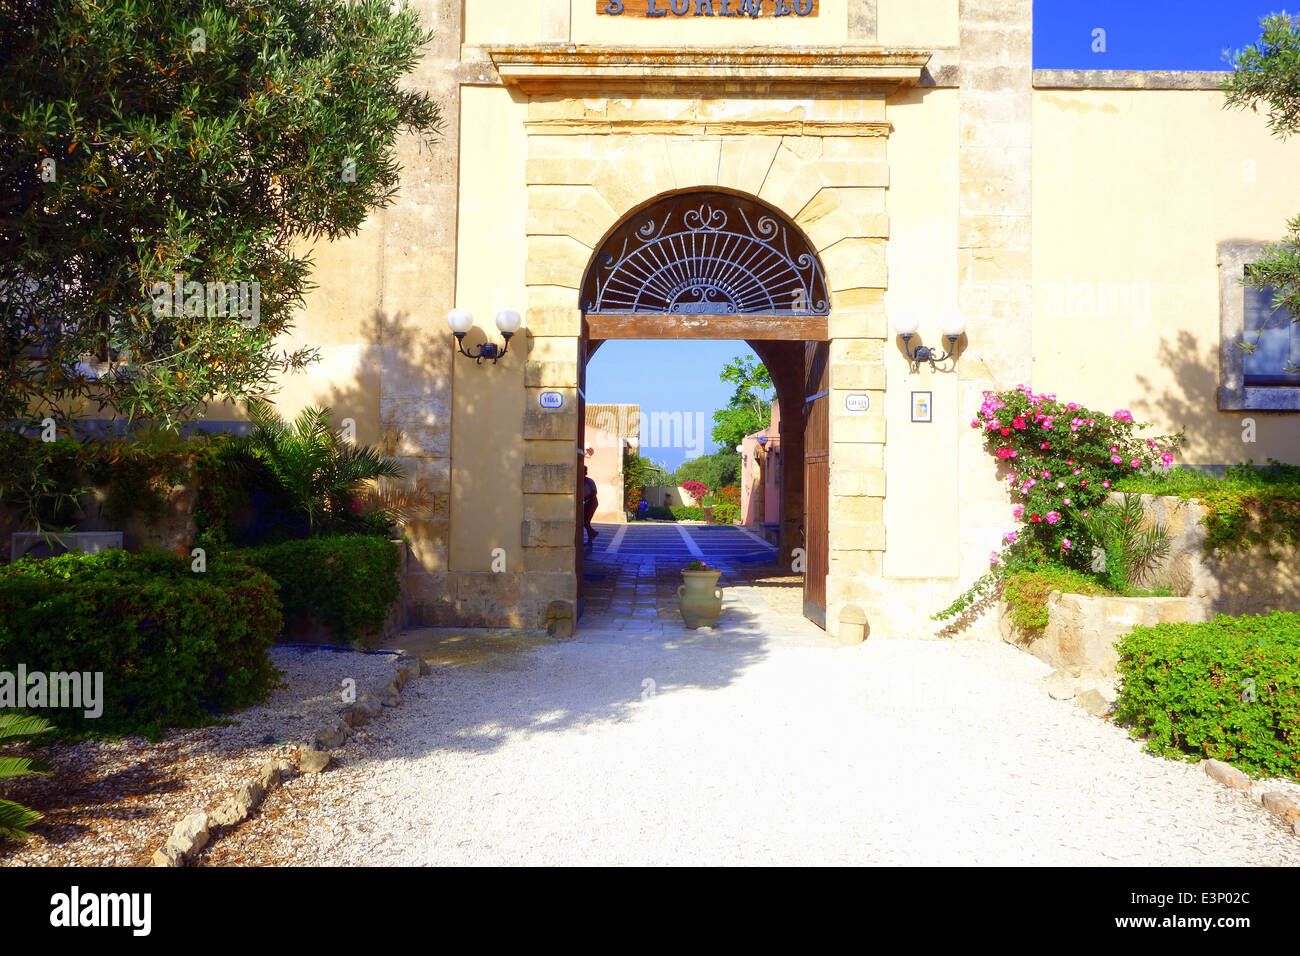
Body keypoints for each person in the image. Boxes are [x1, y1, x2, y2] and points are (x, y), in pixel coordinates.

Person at [583, 466, 598, 546]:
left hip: (592, 503)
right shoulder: (580, 481)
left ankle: (592, 534)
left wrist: (586, 498)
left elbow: (595, 492)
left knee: (585, 521)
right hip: (587, 502)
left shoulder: (589, 481)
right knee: (585, 522)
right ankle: (592, 535)